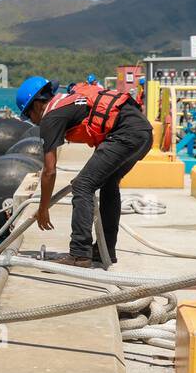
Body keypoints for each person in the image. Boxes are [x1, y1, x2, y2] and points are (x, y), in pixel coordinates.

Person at [17, 74, 152, 267]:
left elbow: (49, 171)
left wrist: (43, 208)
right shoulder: (70, 100)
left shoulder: (50, 117)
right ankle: (105, 250)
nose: (33, 123)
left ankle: (80, 254)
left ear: (37, 105)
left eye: (29, 116)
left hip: (125, 134)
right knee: (109, 184)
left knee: (82, 186)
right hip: (143, 134)